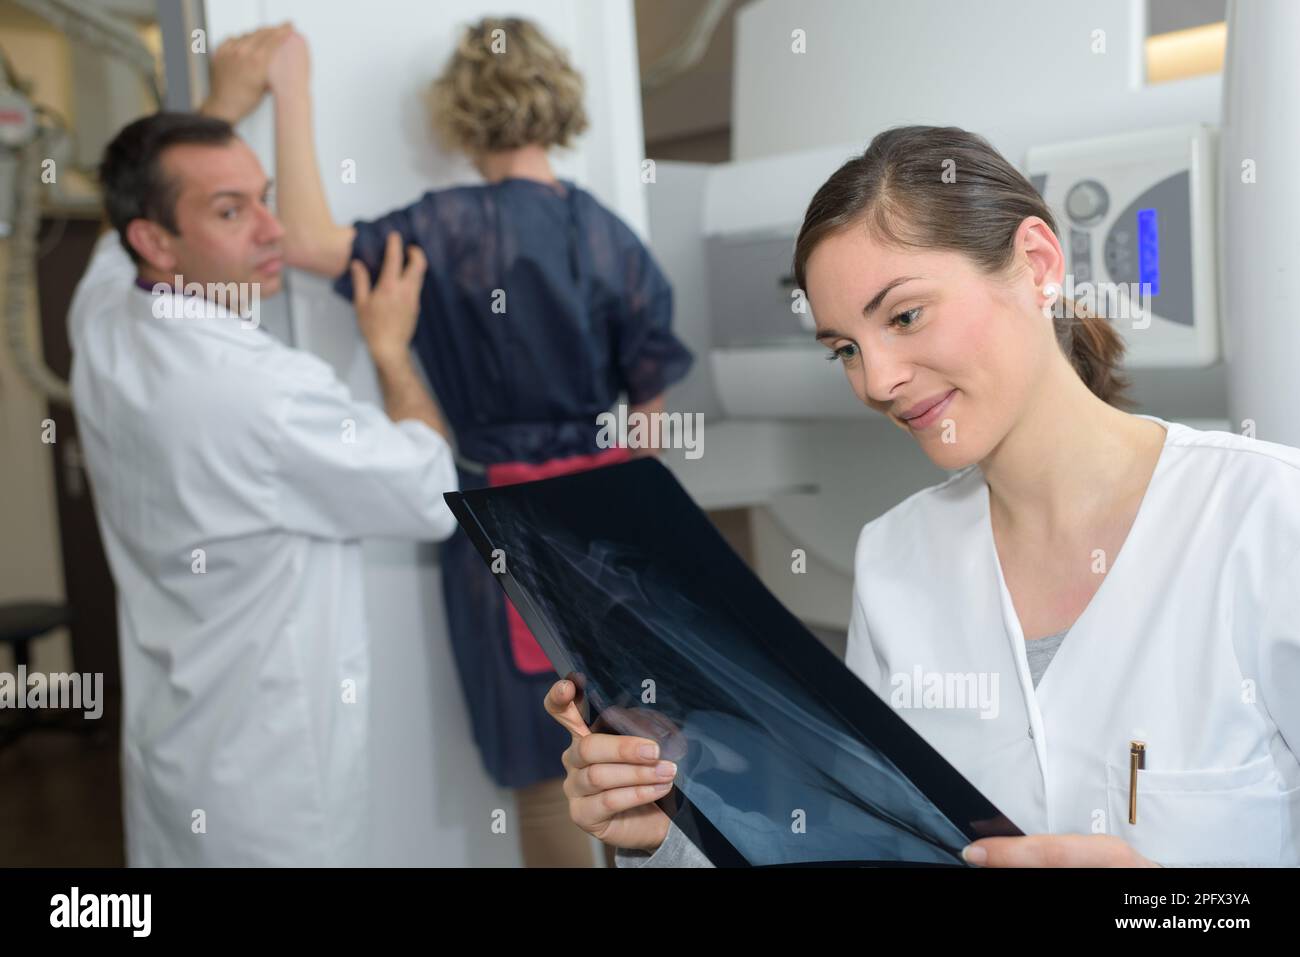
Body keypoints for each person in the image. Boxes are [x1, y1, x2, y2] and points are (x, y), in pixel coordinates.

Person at [544, 125, 1300, 868]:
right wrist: (670, 828)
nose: (876, 381)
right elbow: (869, 847)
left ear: (1036, 264)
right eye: (845, 348)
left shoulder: (1267, 519)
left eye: (905, 315)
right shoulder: (895, 558)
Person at [265, 18, 694, 866]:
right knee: (632, 756)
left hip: (501, 524)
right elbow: (651, 422)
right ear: (557, 101)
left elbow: (309, 241)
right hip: (607, 524)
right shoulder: (614, 239)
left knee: (546, 774)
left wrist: (291, 89)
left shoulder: (445, 227)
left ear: (463, 113)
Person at [70, 25, 459, 866]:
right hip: (277, 794)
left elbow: (116, 235)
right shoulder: (262, 393)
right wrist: (390, 353)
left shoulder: (103, 316)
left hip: (176, 759)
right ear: (158, 243)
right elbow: (433, 496)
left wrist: (220, 110)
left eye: (264, 195)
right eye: (230, 211)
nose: (275, 230)